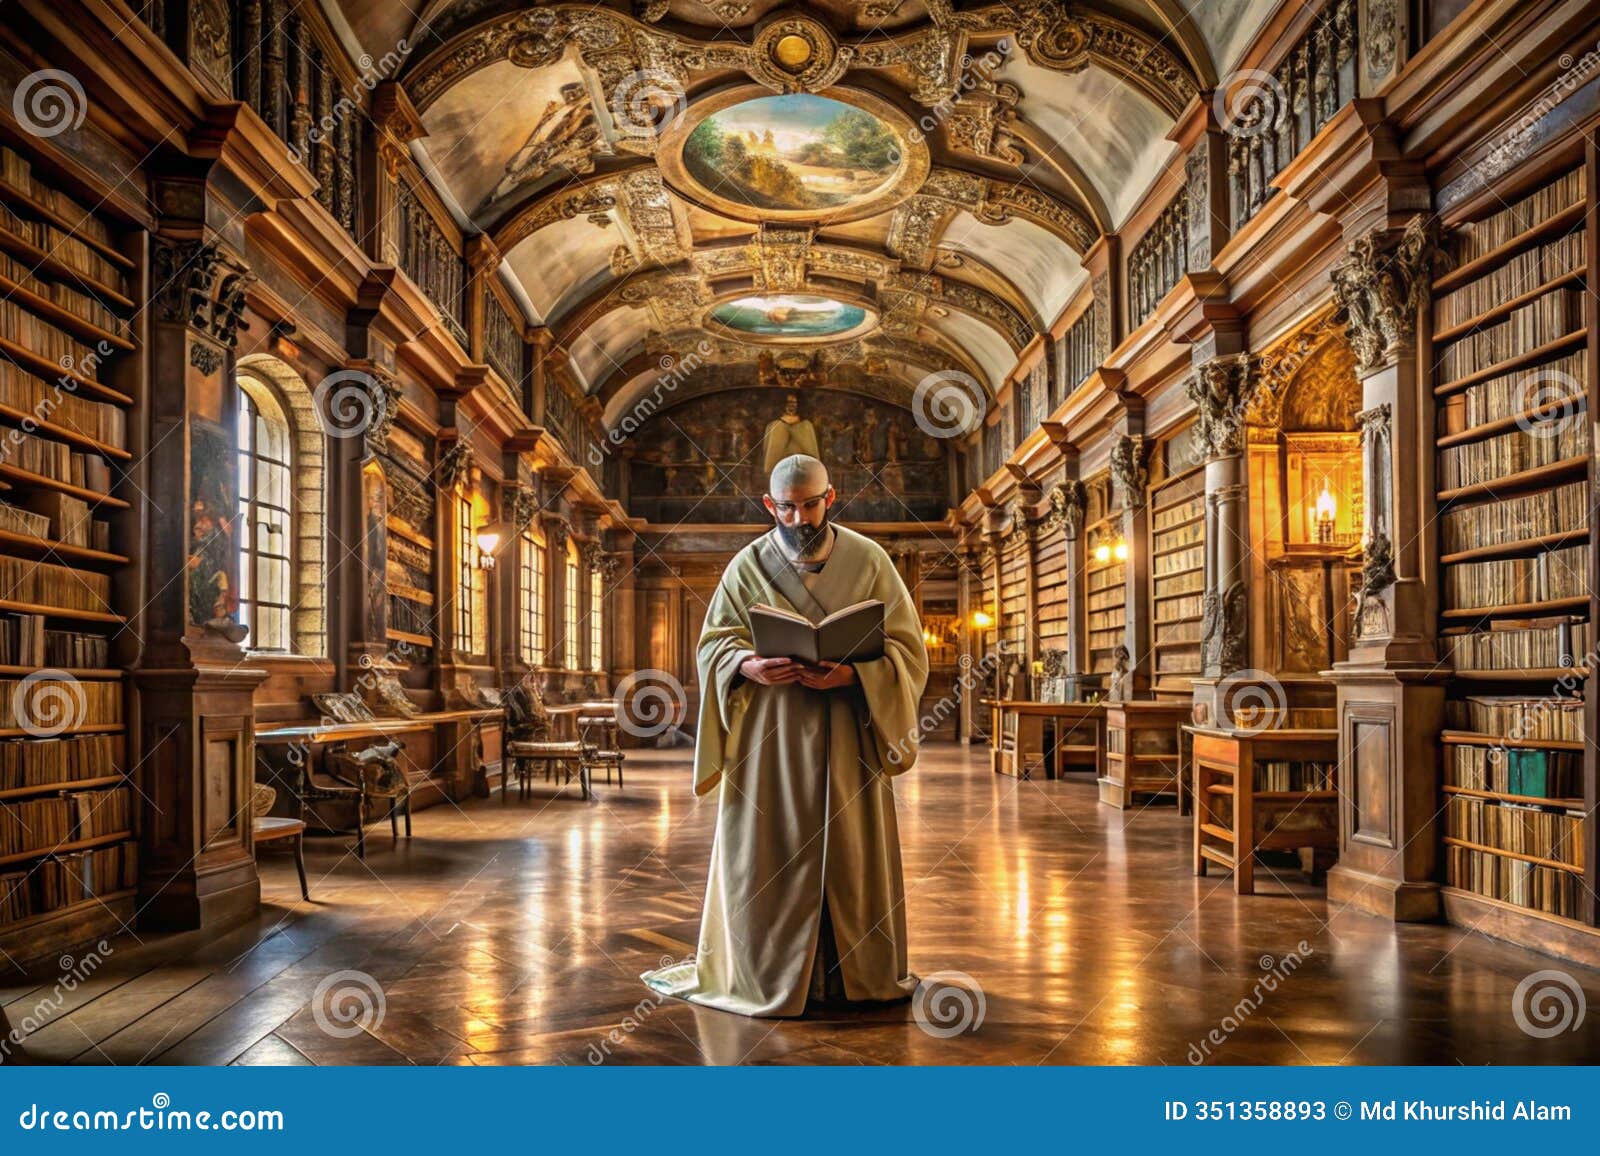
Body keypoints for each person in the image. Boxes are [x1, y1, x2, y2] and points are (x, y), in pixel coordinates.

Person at [641, 454, 929, 1017]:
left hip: (850, 734)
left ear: (831, 496)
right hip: (767, 744)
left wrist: (855, 673)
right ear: (769, 506)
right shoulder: (746, 565)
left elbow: (907, 649)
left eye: (811, 505)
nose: (800, 519)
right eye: (787, 507)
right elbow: (714, 644)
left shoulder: (871, 561)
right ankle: (763, 971)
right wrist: (746, 666)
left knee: (851, 854)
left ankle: (853, 977)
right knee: (766, 857)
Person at [760, 392, 820, 475]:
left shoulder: (806, 425)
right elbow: (770, 459)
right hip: (781, 472)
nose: (791, 405)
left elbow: (812, 454)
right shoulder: (775, 425)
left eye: (794, 402)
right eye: (789, 402)